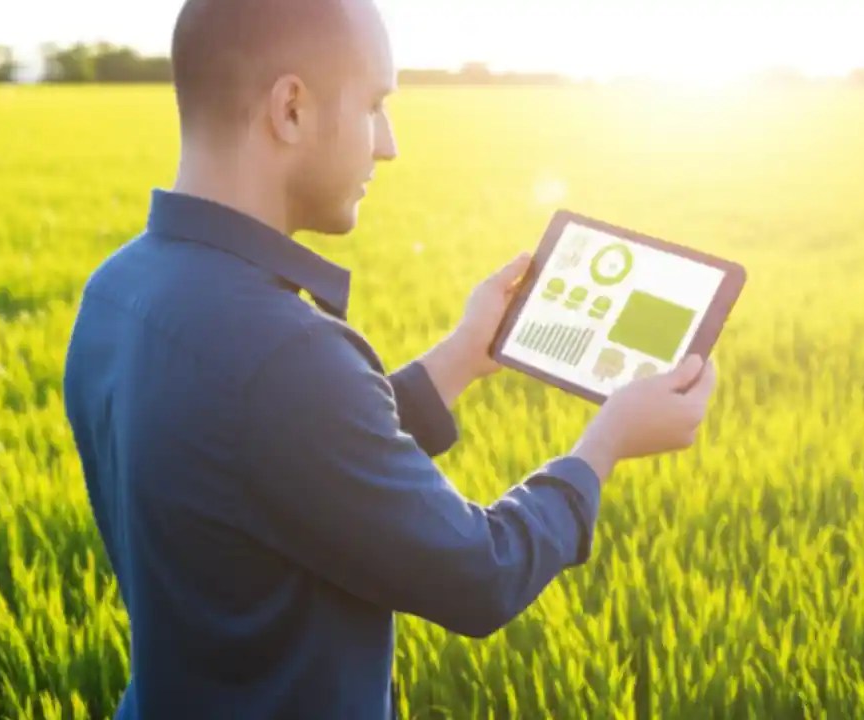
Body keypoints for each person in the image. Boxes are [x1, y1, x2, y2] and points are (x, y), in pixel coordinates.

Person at [61, 0, 719, 717]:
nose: (389, 144)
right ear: (291, 109)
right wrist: (607, 443)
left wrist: (463, 355)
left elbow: (285, 459)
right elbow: (478, 573)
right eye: (375, 105)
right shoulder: (285, 354)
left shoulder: (118, 288)